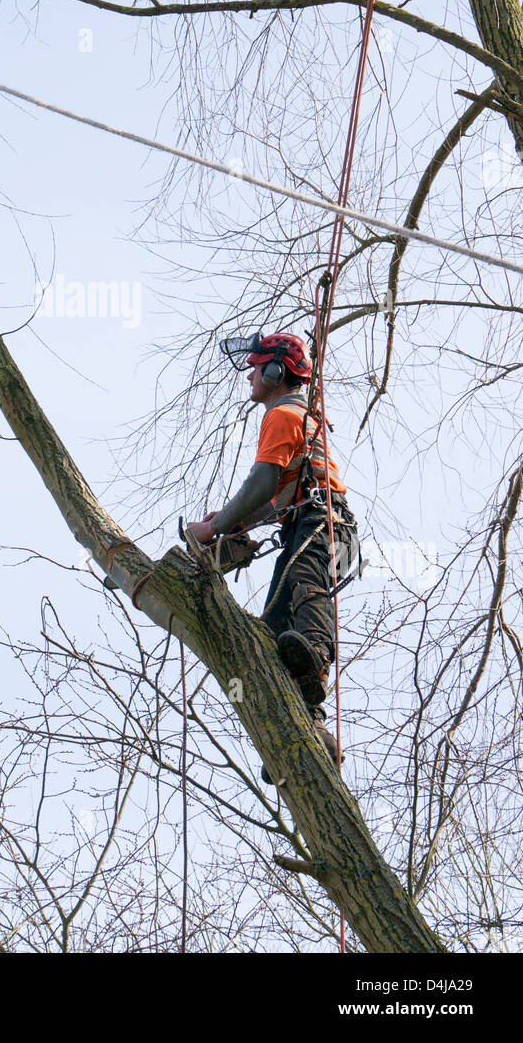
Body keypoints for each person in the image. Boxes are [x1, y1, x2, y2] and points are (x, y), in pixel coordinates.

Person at [186, 331, 358, 780]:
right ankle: (308, 730)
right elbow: (276, 498)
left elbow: (263, 482)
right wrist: (234, 521)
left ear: (275, 372)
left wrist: (214, 526)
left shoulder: (283, 413)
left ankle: (317, 659)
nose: (250, 375)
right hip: (310, 524)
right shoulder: (293, 416)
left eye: (257, 366)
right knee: (271, 635)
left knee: (304, 586)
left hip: (323, 526)